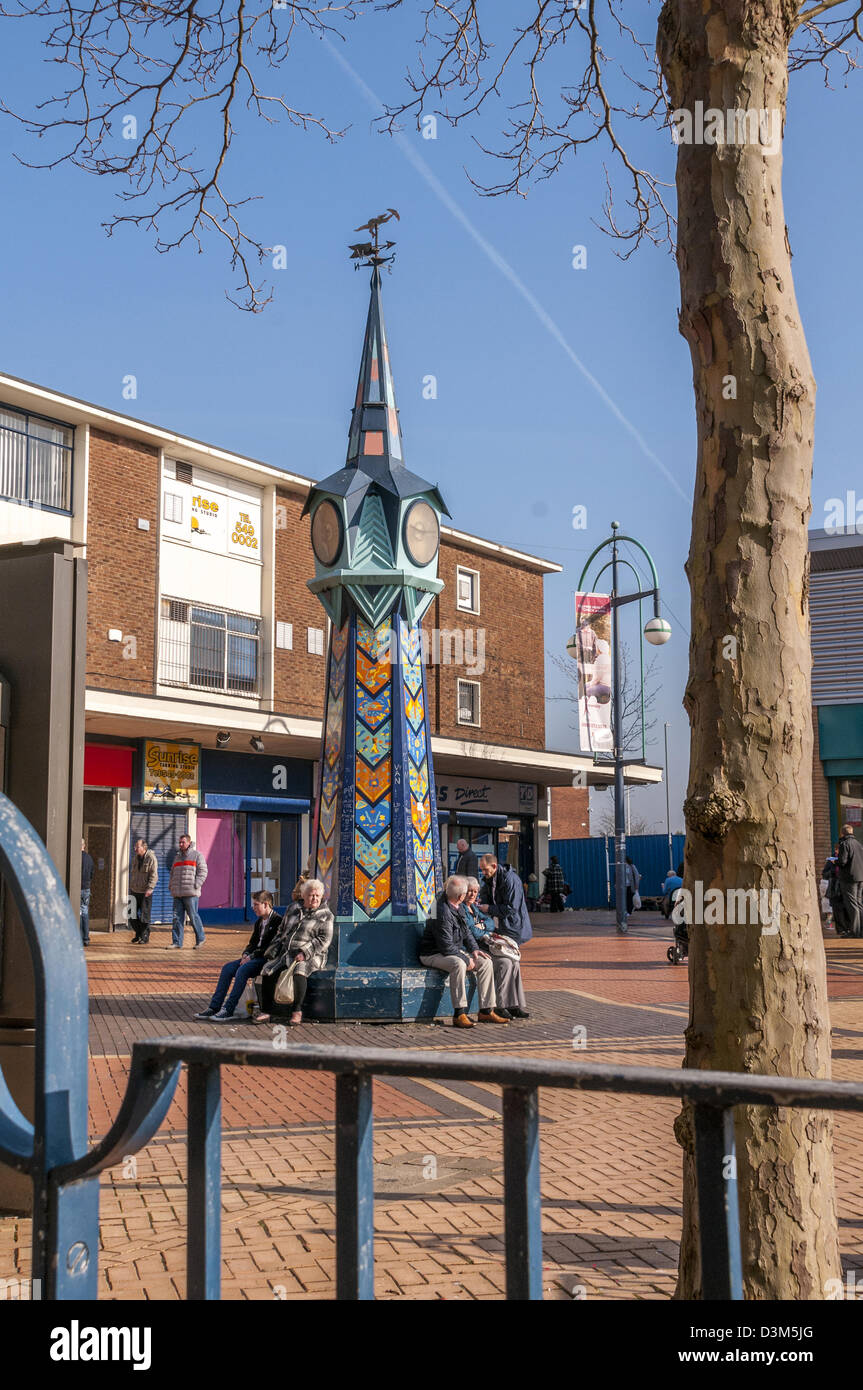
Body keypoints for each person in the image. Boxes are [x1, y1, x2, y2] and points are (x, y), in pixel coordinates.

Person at [419, 874, 508, 1028]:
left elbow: (466, 931)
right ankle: (459, 1013)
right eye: (467, 892)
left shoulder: (457, 905)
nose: (469, 895)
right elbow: (446, 946)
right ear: (460, 896)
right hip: (432, 953)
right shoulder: (441, 911)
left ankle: (486, 1011)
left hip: (451, 950)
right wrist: (467, 960)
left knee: (486, 961)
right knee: (458, 964)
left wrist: (474, 950)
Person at [255, 879, 334, 1026]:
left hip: (311, 954)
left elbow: (324, 939)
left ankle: (297, 1011)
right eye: (311, 895)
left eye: (317, 896)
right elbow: (281, 930)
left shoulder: (326, 915)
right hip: (287, 951)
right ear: (304, 895)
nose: (315, 898)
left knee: (300, 970)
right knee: (268, 970)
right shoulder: (293, 908)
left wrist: (305, 952)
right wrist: (276, 946)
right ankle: (266, 1011)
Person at [194, 891, 283, 1021]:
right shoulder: (259, 922)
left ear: (266, 904)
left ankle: (228, 1009)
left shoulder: (277, 921)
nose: (253, 908)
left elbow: (270, 947)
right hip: (253, 957)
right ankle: (214, 1007)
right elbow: (252, 943)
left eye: (256, 904)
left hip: (266, 960)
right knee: (227, 968)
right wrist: (245, 954)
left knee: (242, 971)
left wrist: (250, 957)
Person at [463, 876, 529, 1018]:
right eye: (469, 891)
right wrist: (482, 928)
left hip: (487, 946)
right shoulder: (462, 909)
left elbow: (490, 922)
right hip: (474, 949)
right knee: (505, 963)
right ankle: (500, 1005)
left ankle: (513, 1004)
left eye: (475, 892)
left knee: (515, 962)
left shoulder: (474, 907)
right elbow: (471, 931)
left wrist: (482, 926)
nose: (472, 895)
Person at [478, 854, 533, 944]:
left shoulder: (510, 879)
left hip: (512, 927)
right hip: (501, 925)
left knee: (510, 955)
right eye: (481, 869)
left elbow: (511, 907)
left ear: (494, 866)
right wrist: (481, 901)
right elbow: (488, 896)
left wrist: (488, 908)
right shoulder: (490, 878)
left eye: (485, 869)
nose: (483, 872)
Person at [168, 832, 208, 949]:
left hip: (190, 893)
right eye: (179, 842)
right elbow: (172, 873)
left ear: (189, 843)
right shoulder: (177, 857)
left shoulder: (197, 855)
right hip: (177, 894)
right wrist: (171, 886)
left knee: (193, 916)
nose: (180, 844)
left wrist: (196, 885)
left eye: (183, 842)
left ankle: (201, 939)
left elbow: (203, 872)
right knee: (177, 918)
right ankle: (176, 942)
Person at [129, 837, 158, 944]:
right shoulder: (135, 858)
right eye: (135, 846)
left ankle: (144, 936)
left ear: (144, 847)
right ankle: (139, 933)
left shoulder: (151, 858)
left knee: (144, 916)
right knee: (130, 914)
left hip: (145, 892)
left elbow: (154, 875)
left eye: (137, 846)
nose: (135, 848)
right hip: (134, 890)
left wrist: (150, 888)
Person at [836, 825, 863, 938]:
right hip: (860, 877)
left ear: (842, 834)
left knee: (852, 905)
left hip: (849, 878)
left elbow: (842, 862)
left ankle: (855, 931)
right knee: (859, 903)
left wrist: (835, 862)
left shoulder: (844, 844)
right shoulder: (859, 844)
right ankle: (861, 930)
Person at [821, 847, 842, 931]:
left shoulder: (834, 859)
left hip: (831, 884)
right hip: (829, 884)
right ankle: (828, 923)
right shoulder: (832, 860)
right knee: (829, 905)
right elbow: (825, 873)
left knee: (830, 905)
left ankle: (829, 923)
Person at [80, 838, 95, 947]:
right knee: (84, 912)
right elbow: (92, 874)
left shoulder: (76, 857)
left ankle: (80, 936)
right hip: (86, 888)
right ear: (84, 845)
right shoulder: (89, 858)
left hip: (77, 888)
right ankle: (86, 938)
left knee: (78, 912)